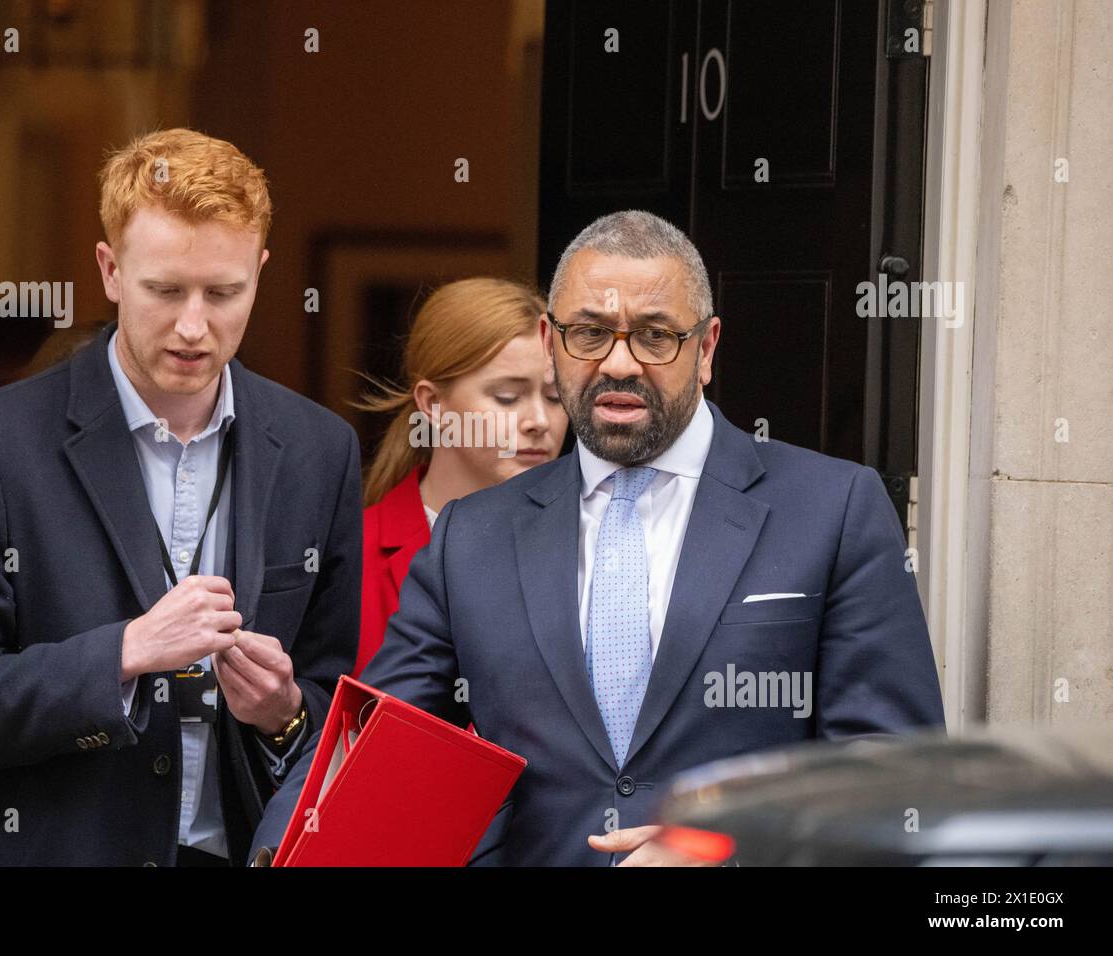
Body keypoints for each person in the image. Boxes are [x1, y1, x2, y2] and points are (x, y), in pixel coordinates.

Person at [249, 209, 945, 867]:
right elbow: (374, 741)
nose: (618, 363)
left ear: (705, 349)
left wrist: (737, 847)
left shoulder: (832, 509)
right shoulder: (474, 537)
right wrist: (278, 852)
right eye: (589, 334)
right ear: (552, 345)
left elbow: (893, 774)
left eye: (653, 334)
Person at [0, 128, 361, 866]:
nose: (192, 325)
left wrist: (285, 715)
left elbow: (332, 700)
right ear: (111, 272)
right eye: (164, 289)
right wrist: (124, 652)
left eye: (223, 293)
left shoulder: (321, 449)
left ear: (262, 273)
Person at [354, 278, 568, 675]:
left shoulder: (587, 548)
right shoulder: (351, 556)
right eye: (507, 397)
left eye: (557, 398)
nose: (539, 421)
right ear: (434, 404)